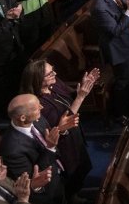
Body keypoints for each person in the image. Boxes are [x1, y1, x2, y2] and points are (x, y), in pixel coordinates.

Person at [19, 60, 100, 198]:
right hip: (63, 146)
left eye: (53, 70)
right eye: (50, 73)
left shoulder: (54, 83)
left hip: (74, 136)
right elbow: (63, 123)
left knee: (82, 169)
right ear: (38, 79)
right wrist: (80, 97)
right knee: (71, 180)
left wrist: (83, 88)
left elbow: (69, 98)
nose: (55, 74)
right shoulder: (37, 104)